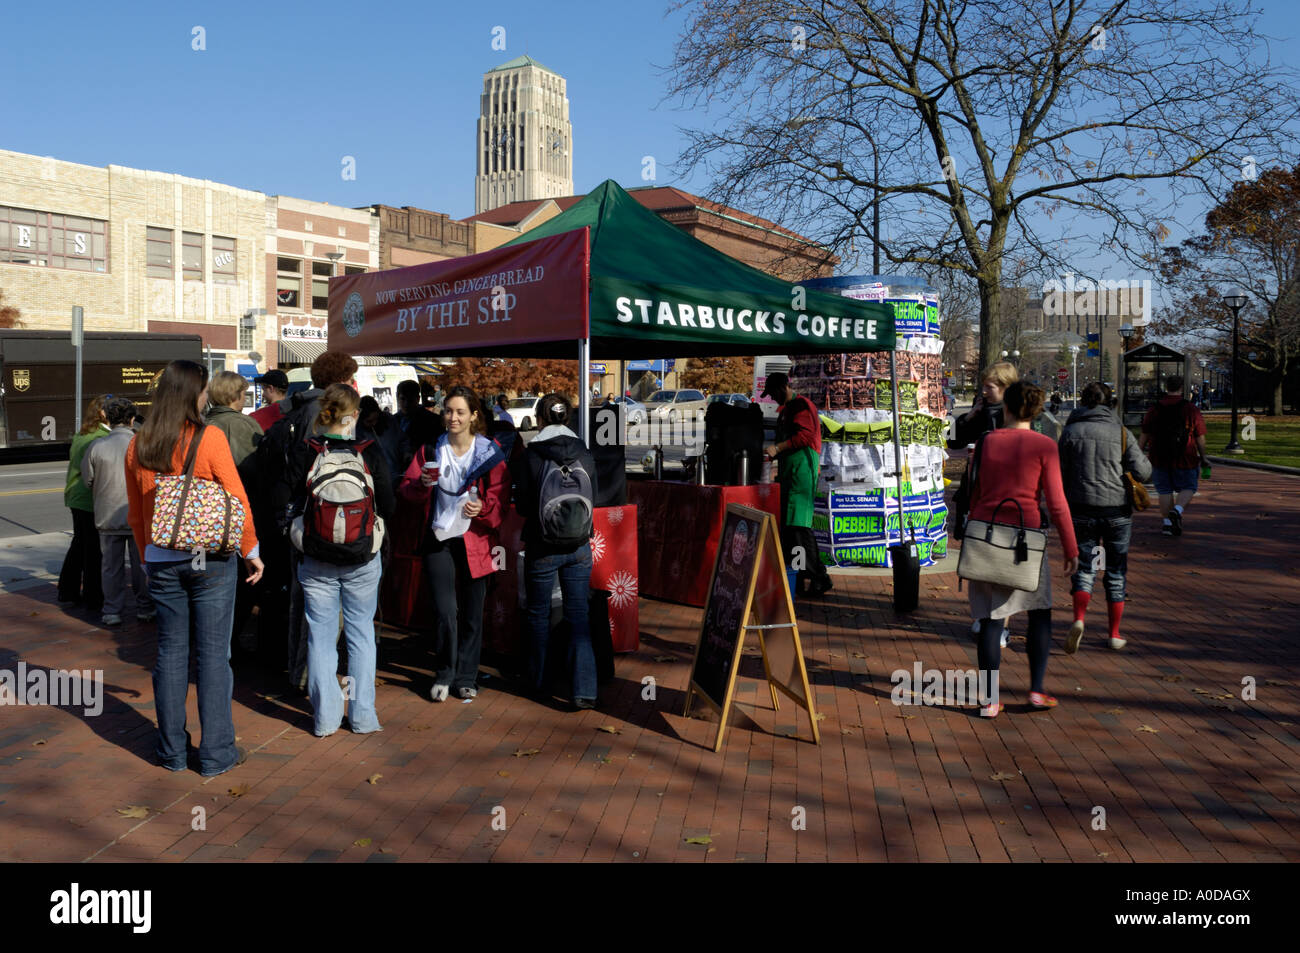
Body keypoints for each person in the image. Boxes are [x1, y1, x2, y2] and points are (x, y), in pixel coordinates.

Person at [124, 360, 263, 776]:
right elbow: (236, 501)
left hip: (163, 560)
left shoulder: (139, 445)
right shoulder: (209, 438)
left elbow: (136, 514)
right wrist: (251, 549)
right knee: (213, 657)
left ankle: (172, 752)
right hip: (211, 560)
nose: (206, 396)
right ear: (192, 393)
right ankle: (217, 753)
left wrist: (148, 556)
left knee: (170, 654)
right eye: (203, 390)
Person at [964, 381, 1078, 717]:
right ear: (1037, 409)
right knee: (1039, 611)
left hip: (987, 536)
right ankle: (1037, 690)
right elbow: (1057, 503)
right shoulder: (1045, 446)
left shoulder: (986, 442)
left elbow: (974, 490)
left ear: (1007, 407)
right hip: (1027, 539)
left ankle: (989, 699)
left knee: (991, 619)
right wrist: (1071, 547)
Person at [287, 384, 395, 736]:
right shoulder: (370, 451)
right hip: (362, 556)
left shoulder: (307, 450)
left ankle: (325, 719)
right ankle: (362, 716)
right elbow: (389, 506)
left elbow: (289, 500)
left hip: (316, 557)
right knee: (361, 635)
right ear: (352, 417)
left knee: (320, 636)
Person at [258, 350, 360, 688]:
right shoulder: (322, 415)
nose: (353, 385)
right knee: (321, 609)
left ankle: (298, 671)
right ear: (338, 382)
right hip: (321, 521)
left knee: (301, 601)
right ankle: (309, 678)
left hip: (297, 521)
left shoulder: (296, 409)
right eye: (349, 379)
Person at [399, 386, 508, 702]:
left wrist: (483, 508)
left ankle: (466, 677)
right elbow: (406, 488)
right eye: (448, 411)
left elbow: (500, 496)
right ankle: (445, 672)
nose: (453, 418)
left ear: (474, 415)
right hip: (438, 539)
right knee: (446, 610)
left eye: (460, 412)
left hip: (476, 541)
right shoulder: (432, 449)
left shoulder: (490, 452)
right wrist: (419, 486)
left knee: (473, 613)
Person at [513, 393, 599, 709]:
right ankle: (584, 689)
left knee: (539, 614)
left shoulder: (531, 455)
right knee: (579, 614)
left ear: (539, 420)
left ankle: (539, 683)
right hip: (579, 545)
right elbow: (596, 498)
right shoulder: (585, 453)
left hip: (542, 546)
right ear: (569, 419)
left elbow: (522, 505)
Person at [1059, 382, 1152, 652]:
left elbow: (1059, 472)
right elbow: (1144, 472)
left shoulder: (1070, 432)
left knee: (1083, 567)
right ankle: (1114, 633)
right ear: (1110, 403)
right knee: (1115, 572)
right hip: (1116, 510)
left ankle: (1078, 619)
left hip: (1080, 508)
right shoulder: (1120, 432)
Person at [81, 397, 153, 626]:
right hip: (138, 517)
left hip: (107, 516)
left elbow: (88, 480)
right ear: (132, 419)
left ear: (109, 420)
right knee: (141, 565)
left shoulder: (96, 446)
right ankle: (145, 607)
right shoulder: (141, 445)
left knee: (111, 568)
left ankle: (112, 610)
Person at [762, 372, 833, 597]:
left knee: (800, 528)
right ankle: (800, 574)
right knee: (792, 529)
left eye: (773, 393)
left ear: (783, 387)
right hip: (790, 473)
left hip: (802, 473)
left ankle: (819, 577)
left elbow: (805, 437)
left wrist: (778, 449)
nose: (772, 398)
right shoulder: (786, 410)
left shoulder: (801, 406)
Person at [58, 395, 111, 612]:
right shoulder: (99, 438)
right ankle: (92, 596)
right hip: (88, 497)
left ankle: (68, 590)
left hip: (75, 496)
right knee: (92, 550)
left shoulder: (84, 433)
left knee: (80, 545)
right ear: (102, 413)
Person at [1140, 376, 1209, 537]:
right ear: (1181, 388)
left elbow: (1145, 433)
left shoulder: (1155, 408)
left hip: (1159, 455)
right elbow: (1199, 435)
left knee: (1164, 490)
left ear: (1166, 387)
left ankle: (1167, 524)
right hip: (1185, 455)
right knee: (1189, 487)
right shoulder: (1191, 409)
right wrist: (1203, 456)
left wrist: (1140, 454)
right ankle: (1177, 511)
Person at [950, 361, 1018, 448]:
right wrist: (967, 418)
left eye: (989, 387)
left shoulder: (1019, 413)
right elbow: (952, 443)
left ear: (1006, 387)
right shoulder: (981, 411)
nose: (984, 391)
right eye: (983, 386)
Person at [357, 394, 408, 489]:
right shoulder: (358, 431)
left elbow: (402, 440)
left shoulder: (389, 420)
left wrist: (406, 452)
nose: (374, 423)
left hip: (396, 474)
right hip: (374, 481)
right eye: (369, 421)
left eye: (376, 419)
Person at [396, 379, 443, 451]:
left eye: (410, 400)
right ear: (397, 398)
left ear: (418, 399)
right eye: (402, 399)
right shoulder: (392, 421)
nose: (406, 404)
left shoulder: (432, 421)